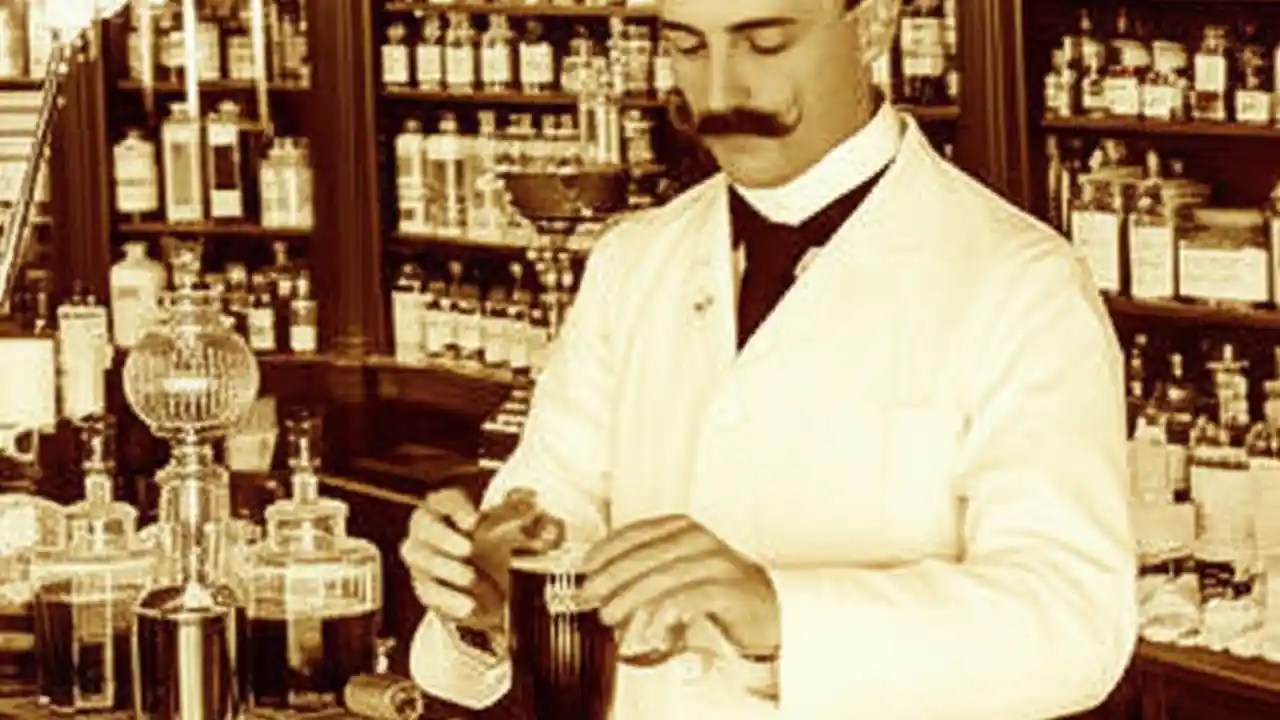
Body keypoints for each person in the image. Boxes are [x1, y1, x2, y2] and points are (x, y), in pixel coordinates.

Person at [399, 0, 1139, 717]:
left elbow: (1072, 625)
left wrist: (778, 612)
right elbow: (548, 519)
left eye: (766, 43)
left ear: (875, 22)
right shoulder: (635, 259)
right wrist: (484, 596)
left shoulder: (1018, 280)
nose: (719, 93)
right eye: (689, 46)